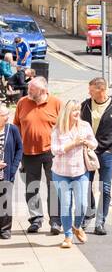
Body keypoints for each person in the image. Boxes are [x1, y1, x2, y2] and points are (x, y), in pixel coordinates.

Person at [16, 77, 62, 235]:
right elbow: (16, 125)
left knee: (54, 187)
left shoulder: (56, 103)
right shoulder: (22, 102)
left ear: (43, 91)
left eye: (32, 89)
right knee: (31, 188)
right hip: (28, 152)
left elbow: (64, 126)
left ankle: (55, 221)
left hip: (52, 152)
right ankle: (36, 219)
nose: (28, 91)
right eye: (29, 88)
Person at [82, 78, 112, 235]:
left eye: (91, 90)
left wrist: (111, 149)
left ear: (101, 90)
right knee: (86, 185)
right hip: (88, 152)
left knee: (105, 188)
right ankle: (90, 211)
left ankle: (100, 222)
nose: (89, 92)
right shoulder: (85, 105)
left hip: (106, 154)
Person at [49, 99, 94, 249]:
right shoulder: (57, 130)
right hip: (61, 173)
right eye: (74, 110)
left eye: (78, 110)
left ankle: (77, 226)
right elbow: (55, 150)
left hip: (80, 172)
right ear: (67, 112)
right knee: (66, 205)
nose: (77, 113)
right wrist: (73, 143)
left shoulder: (85, 126)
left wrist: (87, 142)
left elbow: (95, 144)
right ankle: (68, 236)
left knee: (82, 204)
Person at [0, 103, 22, 239]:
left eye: (8, 115)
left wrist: (13, 167)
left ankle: (5, 230)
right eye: (3, 115)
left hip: (7, 173)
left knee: (5, 201)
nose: (7, 118)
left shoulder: (12, 129)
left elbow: (20, 148)